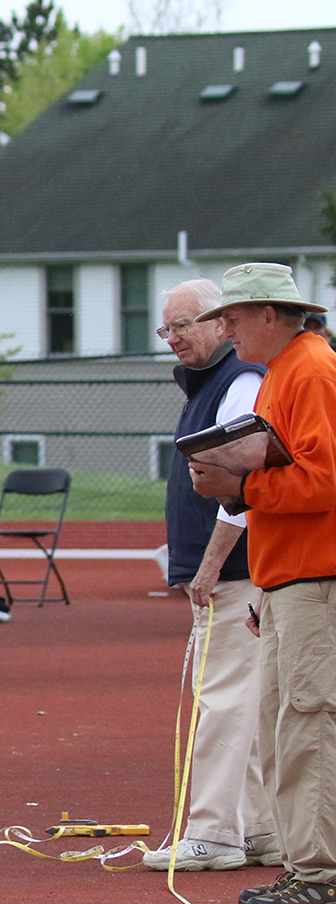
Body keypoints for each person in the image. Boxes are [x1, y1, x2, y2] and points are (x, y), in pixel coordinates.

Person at [187, 263, 336, 904]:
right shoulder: (286, 371)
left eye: (233, 317)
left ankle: (321, 873)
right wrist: (270, 588)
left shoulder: (310, 371)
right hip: (290, 577)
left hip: (314, 576)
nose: (225, 330)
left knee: (306, 725)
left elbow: (325, 483)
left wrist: (239, 488)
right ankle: (307, 865)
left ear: (270, 315)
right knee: (287, 728)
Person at [145, 278, 277, 872]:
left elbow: (242, 488)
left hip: (238, 572)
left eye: (182, 326)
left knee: (219, 697)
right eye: (165, 329)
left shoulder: (239, 383)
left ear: (219, 323)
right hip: (233, 569)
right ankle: (258, 829)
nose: (172, 338)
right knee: (243, 698)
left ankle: (215, 831)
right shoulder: (212, 384)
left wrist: (209, 562)